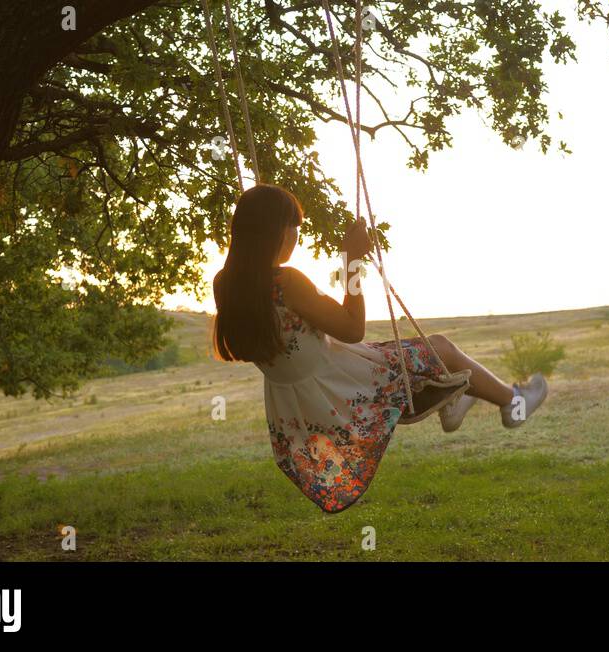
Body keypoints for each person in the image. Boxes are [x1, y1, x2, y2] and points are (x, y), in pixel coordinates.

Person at [213, 184, 547, 513]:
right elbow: (352, 329)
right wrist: (351, 261)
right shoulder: (287, 282)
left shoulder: (224, 284)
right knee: (441, 349)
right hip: (341, 386)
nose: (296, 235)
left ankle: (453, 400)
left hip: (297, 403)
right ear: (274, 230)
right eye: (293, 225)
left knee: (429, 357)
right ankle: (512, 403)